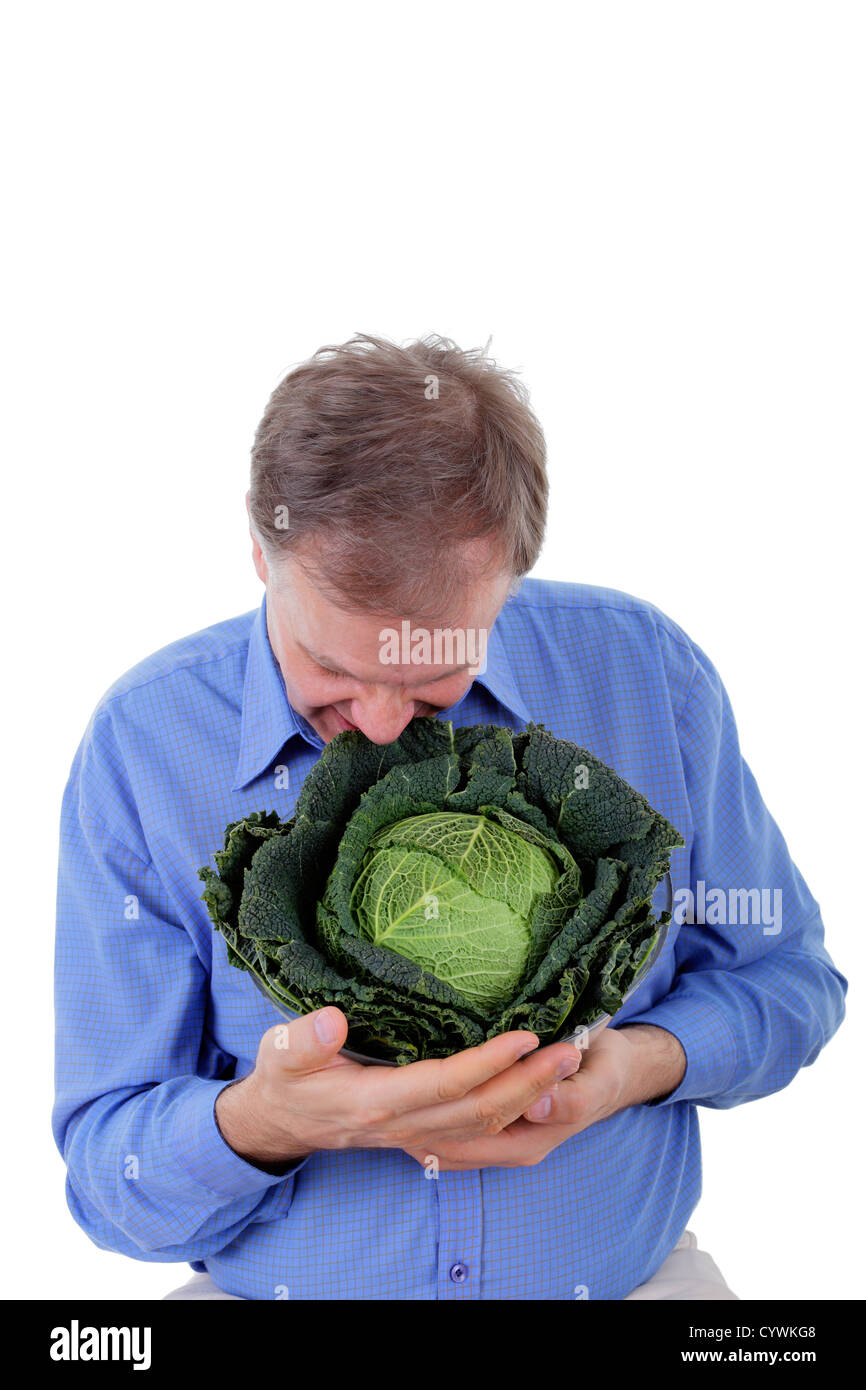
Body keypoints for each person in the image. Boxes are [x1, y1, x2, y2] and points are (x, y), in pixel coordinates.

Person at [53, 333, 847, 1301]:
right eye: (333, 669)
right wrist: (273, 1119)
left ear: (506, 581)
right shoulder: (145, 747)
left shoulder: (646, 680)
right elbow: (104, 1170)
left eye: (431, 676)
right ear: (260, 551)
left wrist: (631, 1066)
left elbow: (791, 981)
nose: (382, 725)